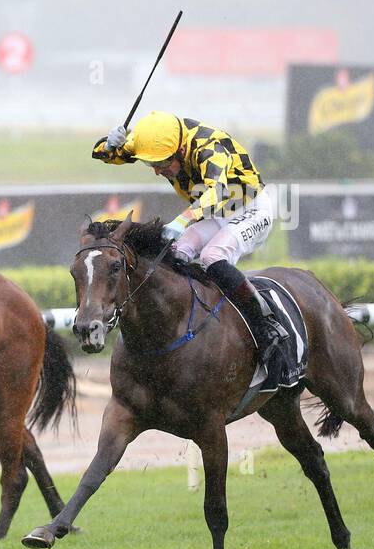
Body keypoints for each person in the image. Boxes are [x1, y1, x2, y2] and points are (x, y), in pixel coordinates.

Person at [93, 110, 289, 370]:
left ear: (181, 149)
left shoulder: (211, 148)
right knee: (177, 253)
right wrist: (108, 145)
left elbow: (216, 191)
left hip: (251, 209)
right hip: (217, 214)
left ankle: (267, 326)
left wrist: (185, 219)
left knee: (212, 257)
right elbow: (105, 155)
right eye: (152, 165)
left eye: (162, 164)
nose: (158, 171)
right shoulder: (160, 141)